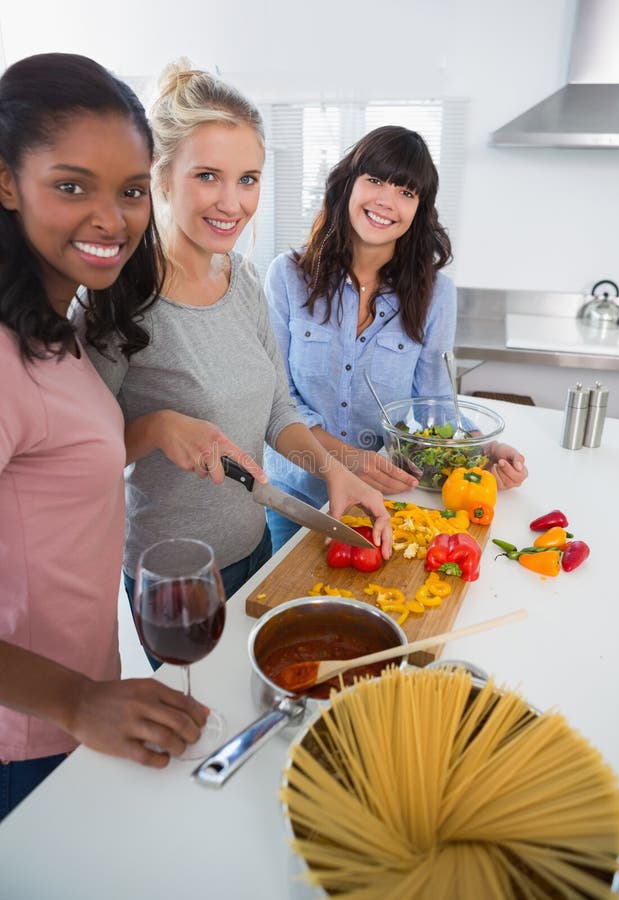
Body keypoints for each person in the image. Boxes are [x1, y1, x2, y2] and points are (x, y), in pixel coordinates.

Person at [73, 60, 392, 666]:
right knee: (200, 729)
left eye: (248, 178)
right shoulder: (115, 299)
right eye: (208, 176)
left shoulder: (241, 278)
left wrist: (334, 473)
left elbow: (277, 411)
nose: (232, 202)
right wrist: (159, 428)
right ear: (160, 177)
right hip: (175, 576)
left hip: (255, 545)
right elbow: (72, 457)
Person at [0, 52, 211, 821]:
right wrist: (78, 699)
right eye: (70, 186)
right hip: (24, 732)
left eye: (129, 191)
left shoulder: (55, 331)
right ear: (5, 182)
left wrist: (151, 428)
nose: (111, 218)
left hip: (74, 699)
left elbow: (48, 469)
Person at [264, 125, 528, 551]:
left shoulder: (435, 294)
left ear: (419, 209)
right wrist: (347, 459)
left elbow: (435, 404)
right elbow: (275, 398)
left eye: (407, 192)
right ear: (347, 184)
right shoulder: (288, 276)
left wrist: (484, 451)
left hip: (383, 502)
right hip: (296, 497)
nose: (387, 201)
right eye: (375, 180)